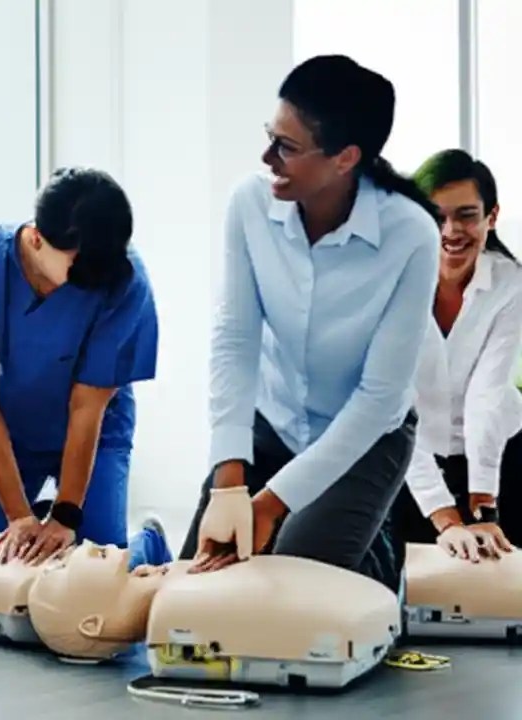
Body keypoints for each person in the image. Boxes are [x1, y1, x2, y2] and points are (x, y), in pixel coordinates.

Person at [181, 54, 441, 594]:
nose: (266, 157)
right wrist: (229, 482)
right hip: (273, 422)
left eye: (286, 147)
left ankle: (375, 552)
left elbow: (379, 398)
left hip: (366, 435)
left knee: (293, 585)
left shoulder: (411, 234)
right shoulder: (249, 204)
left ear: (346, 158)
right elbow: (235, 340)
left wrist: (270, 505)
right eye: (269, 137)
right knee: (198, 589)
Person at [0, 167, 164, 567]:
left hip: (95, 431)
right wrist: (19, 517)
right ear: (36, 239)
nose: (94, 281)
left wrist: (65, 516)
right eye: (80, 266)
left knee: (98, 568)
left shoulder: (125, 281)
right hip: (3, 423)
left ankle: (149, 542)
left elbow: (86, 408)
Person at [391, 149, 522, 561]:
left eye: (466, 215)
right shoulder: (388, 284)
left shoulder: (510, 284)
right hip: (409, 454)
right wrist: (445, 516)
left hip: (499, 451)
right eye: (436, 216)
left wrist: (483, 506)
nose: (450, 231)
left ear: (491, 217)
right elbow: (394, 408)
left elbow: (487, 394)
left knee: (503, 570)